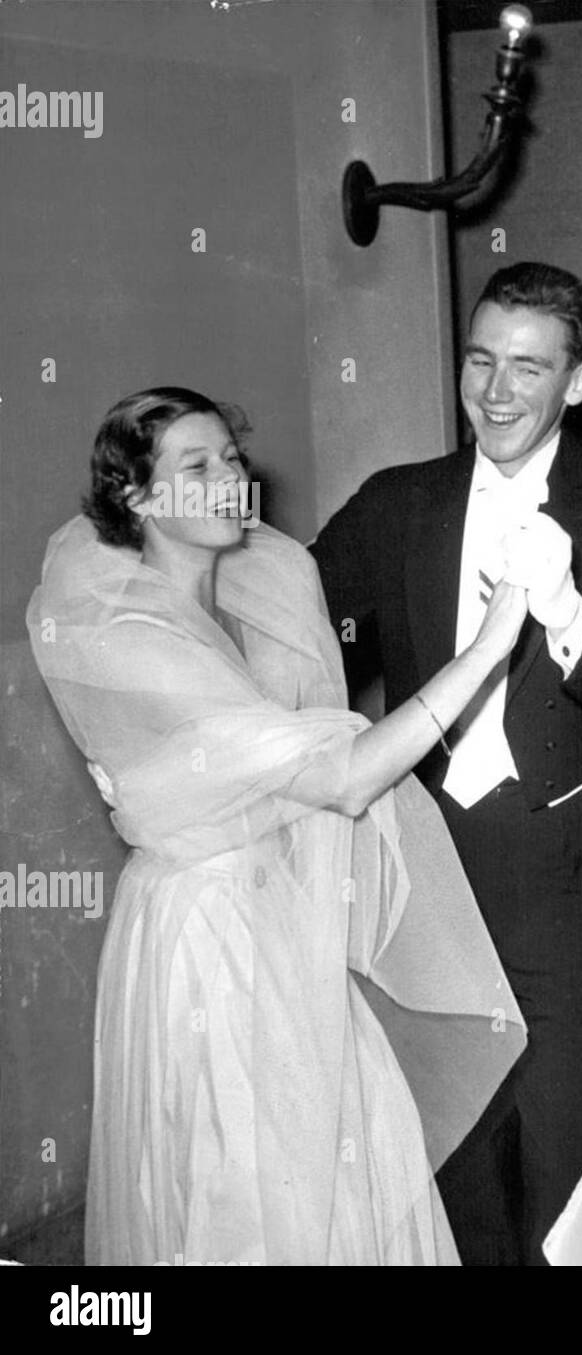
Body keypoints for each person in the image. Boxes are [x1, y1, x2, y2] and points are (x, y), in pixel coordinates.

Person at [27, 387, 528, 1266]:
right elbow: (342, 777)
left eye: (231, 456)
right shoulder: (124, 636)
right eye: (197, 466)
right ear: (139, 499)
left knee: (343, 1155)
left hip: (282, 918)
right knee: (240, 1184)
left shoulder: (269, 581)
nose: (231, 479)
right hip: (205, 936)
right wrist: (488, 650)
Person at [310, 262, 582, 1264]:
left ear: (579, 382)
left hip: (573, 892)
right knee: (454, 1168)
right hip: (430, 887)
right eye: (479, 362)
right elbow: (301, 640)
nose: (496, 392)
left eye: (528, 369)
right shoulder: (396, 503)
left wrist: (566, 624)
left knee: (568, 1174)